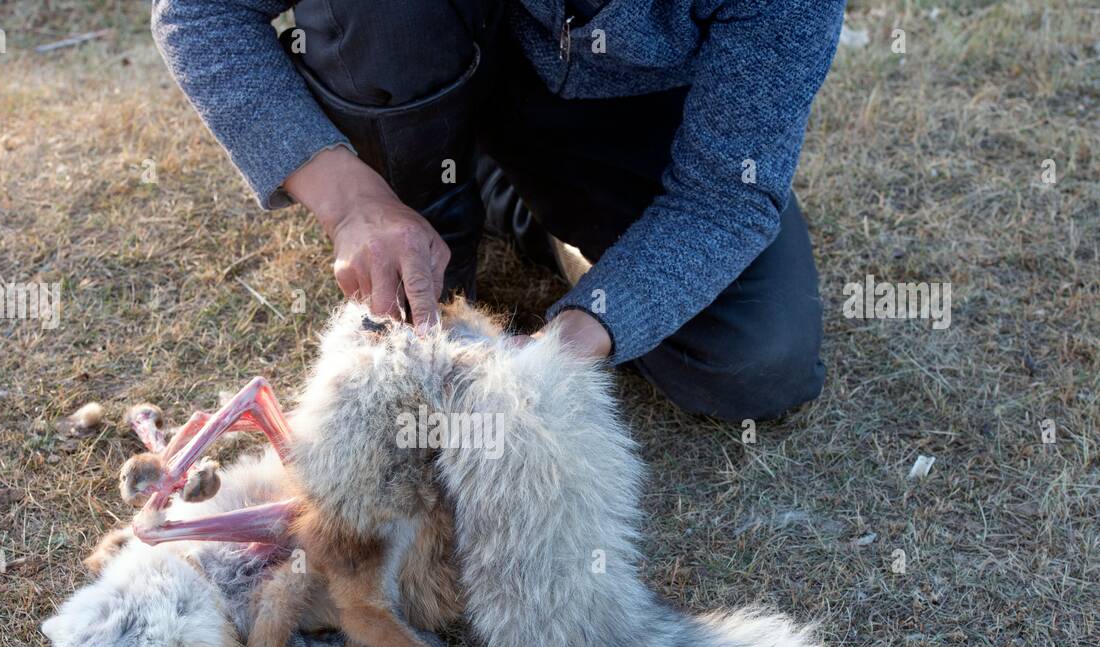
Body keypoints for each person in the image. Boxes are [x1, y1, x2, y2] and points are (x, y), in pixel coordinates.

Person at [152, 0, 845, 421]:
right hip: (428, 67)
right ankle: (420, 213)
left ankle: (516, 199)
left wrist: (572, 340)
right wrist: (349, 198)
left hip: (619, 114)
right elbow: (201, 12)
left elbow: (723, 198)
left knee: (757, 355)